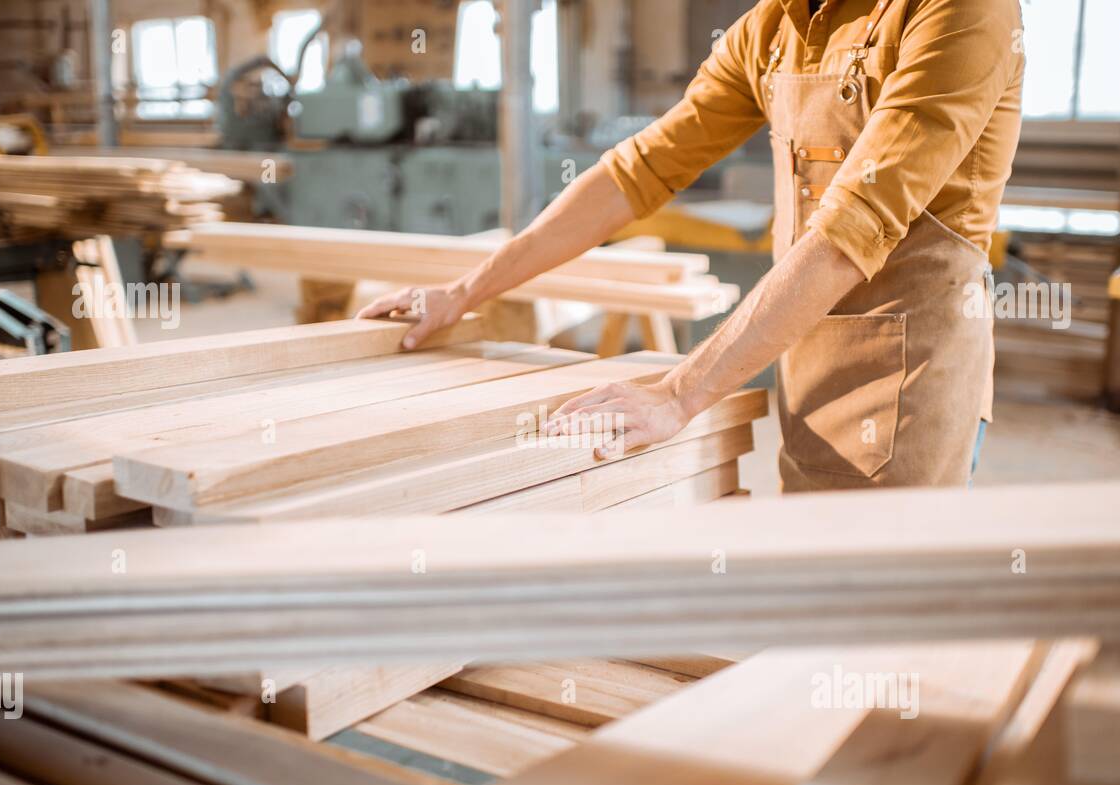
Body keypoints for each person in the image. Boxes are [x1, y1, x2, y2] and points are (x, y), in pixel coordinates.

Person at [359, 0, 1023, 490]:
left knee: (880, 626)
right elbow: (640, 169)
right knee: (810, 608)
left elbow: (851, 232)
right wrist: (464, 291)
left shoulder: (960, 13)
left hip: (915, 374)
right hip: (807, 358)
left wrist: (679, 393)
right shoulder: (774, 27)